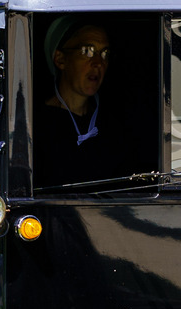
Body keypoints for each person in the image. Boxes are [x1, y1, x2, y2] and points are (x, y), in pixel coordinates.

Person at [34, 17, 119, 192]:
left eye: (105, 54)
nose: (98, 62)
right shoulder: (35, 125)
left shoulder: (114, 125)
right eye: (87, 51)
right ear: (60, 59)